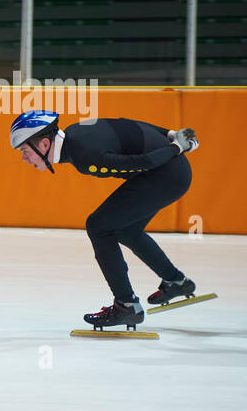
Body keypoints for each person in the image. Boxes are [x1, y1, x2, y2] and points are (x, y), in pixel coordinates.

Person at [10, 110, 201, 328]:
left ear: (44, 144)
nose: (24, 159)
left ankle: (126, 306)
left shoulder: (84, 156)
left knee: (99, 226)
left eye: (24, 151)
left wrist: (176, 146)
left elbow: (144, 161)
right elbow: (126, 123)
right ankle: (176, 282)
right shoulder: (75, 131)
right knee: (126, 230)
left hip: (165, 175)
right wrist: (170, 134)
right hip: (166, 172)